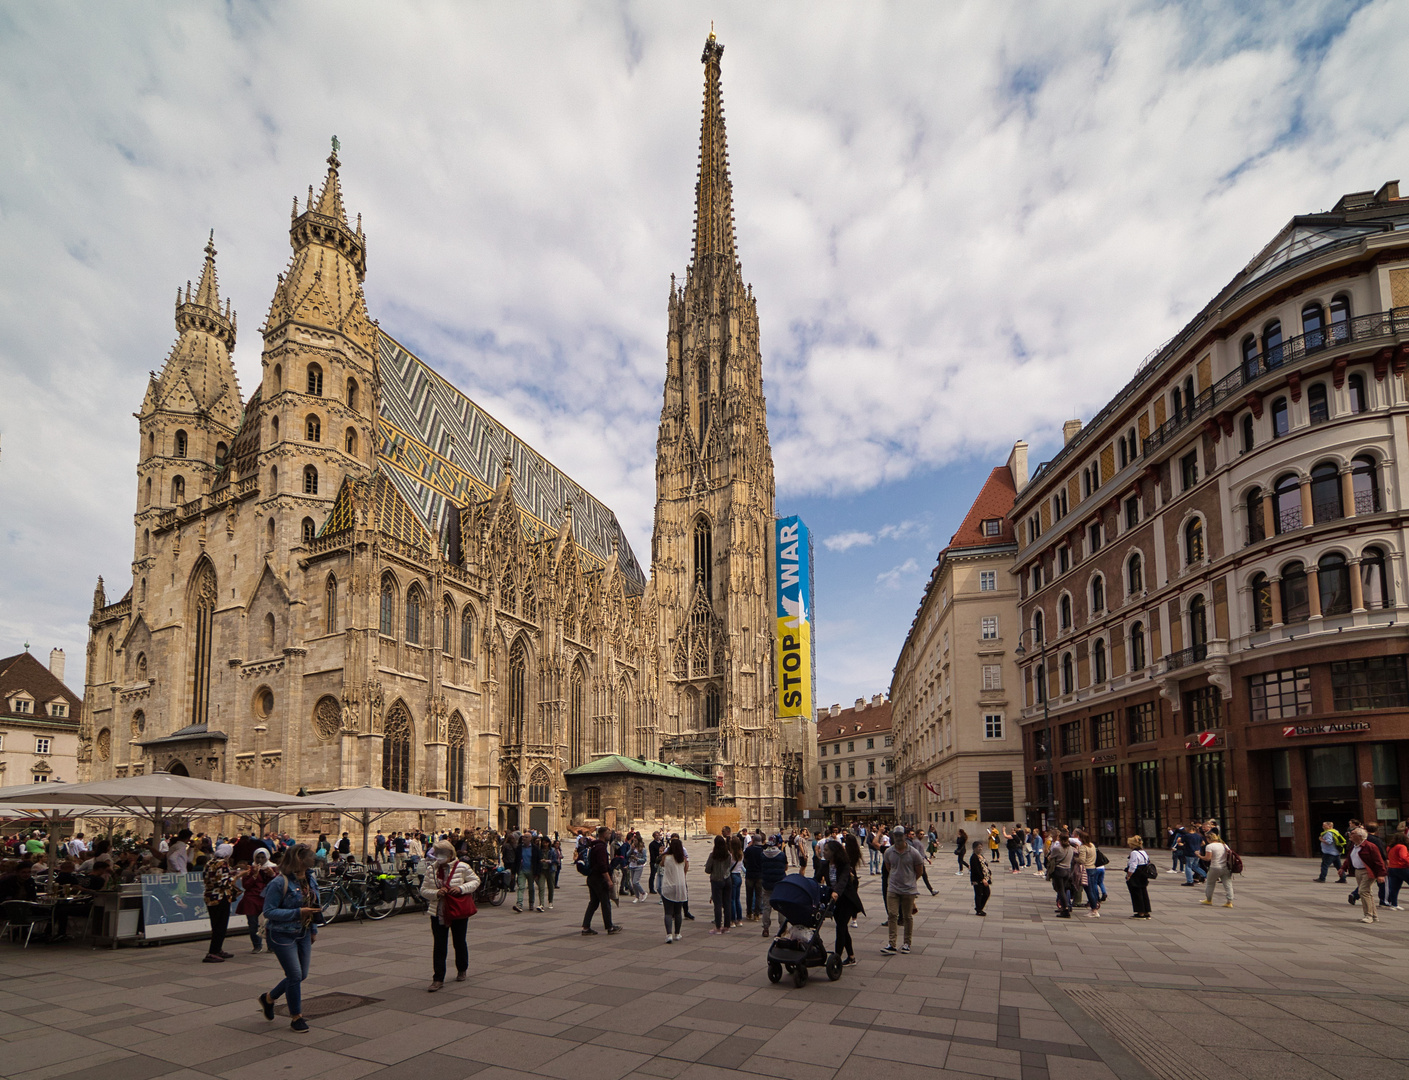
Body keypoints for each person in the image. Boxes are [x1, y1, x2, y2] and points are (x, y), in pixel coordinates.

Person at [258, 844, 321, 1033]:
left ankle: (268, 998)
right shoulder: (279, 883)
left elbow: (314, 905)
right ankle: (296, 1017)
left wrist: (314, 929)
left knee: (302, 975)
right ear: (299, 859)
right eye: (310, 857)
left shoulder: (310, 879)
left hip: (303, 932)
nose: (314, 859)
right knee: (294, 975)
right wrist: (297, 912)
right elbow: (268, 911)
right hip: (282, 934)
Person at [421, 839, 478, 991]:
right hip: (438, 911)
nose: (439, 856)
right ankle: (438, 978)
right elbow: (423, 890)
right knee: (439, 945)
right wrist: (436, 893)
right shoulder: (431, 869)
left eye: (443, 853)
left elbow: (475, 881)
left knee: (459, 941)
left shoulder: (462, 867)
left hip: (457, 910)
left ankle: (462, 968)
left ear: (451, 854)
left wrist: (461, 888)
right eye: (437, 853)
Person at [880, 826, 923, 955]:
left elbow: (919, 871)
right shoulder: (889, 852)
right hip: (893, 888)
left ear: (904, 836)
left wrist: (910, 881)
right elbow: (889, 868)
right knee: (892, 914)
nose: (898, 838)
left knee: (907, 917)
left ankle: (906, 943)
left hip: (908, 889)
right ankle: (892, 943)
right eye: (896, 835)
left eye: (900, 835)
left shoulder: (913, 852)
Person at [825, 839, 861, 965]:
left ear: (834, 852)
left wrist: (836, 892)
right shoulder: (825, 865)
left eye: (826, 850)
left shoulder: (845, 865)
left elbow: (843, 880)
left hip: (847, 900)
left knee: (840, 928)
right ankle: (851, 957)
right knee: (843, 929)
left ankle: (836, 958)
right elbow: (816, 878)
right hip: (835, 901)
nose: (823, 852)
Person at [1342, 827, 1386, 924]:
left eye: (1353, 833)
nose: (1350, 835)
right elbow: (1349, 858)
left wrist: (1381, 875)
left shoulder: (1370, 846)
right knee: (1368, 893)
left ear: (1360, 836)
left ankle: (1368, 915)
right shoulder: (1354, 846)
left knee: (1363, 891)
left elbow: (1379, 862)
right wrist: (1343, 868)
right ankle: (1374, 915)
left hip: (1368, 871)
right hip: (1358, 872)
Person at [202, 845, 238, 963]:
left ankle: (217, 949)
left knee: (216, 924)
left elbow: (210, 877)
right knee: (221, 926)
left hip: (209, 896)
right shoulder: (223, 864)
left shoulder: (210, 862)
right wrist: (236, 877)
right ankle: (213, 951)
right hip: (220, 897)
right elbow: (223, 883)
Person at [581, 826, 618, 935]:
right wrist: (608, 880)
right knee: (605, 902)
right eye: (609, 834)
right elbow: (602, 866)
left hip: (592, 878)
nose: (610, 836)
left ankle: (586, 927)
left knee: (593, 903)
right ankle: (610, 927)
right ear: (603, 834)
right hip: (599, 879)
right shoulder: (601, 848)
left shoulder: (595, 846)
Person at [238, 849, 276, 953]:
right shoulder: (250, 870)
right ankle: (257, 945)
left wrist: (272, 875)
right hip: (252, 900)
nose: (260, 860)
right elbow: (246, 885)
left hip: (267, 899)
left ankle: (271, 945)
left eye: (262, 857)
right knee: (253, 924)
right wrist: (253, 876)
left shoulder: (273, 867)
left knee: (269, 923)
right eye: (257, 857)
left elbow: (278, 884)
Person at [658, 835, 689, 942]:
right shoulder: (683, 859)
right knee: (678, 912)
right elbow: (685, 870)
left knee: (668, 912)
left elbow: (661, 865)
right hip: (680, 885)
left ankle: (668, 935)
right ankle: (677, 933)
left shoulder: (666, 858)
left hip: (668, 885)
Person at [757, 834, 789, 936]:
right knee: (781, 907)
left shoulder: (762, 855)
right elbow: (786, 867)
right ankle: (782, 928)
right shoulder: (781, 854)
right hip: (780, 884)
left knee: (767, 907)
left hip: (766, 883)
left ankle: (765, 928)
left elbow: (761, 867)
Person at [704, 835, 734, 934]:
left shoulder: (713, 855)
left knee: (717, 904)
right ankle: (726, 926)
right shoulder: (728, 855)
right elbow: (729, 866)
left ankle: (717, 927)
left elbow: (707, 869)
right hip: (727, 879)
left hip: (716, 880)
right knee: (727, 903)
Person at [1198, 829, 1234, 908]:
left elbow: (1208, 858)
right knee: (1228, 884)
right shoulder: (1224, 845)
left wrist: (1199, 856)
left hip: (1215, 867)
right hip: (1225, 867)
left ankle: (1209, 900)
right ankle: (1229, 902)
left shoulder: (1209, 846)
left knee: (1210, 883)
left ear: (1209, 839)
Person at [1046, 831, 1076, 917]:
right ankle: (1065, 907)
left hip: (1059, 870)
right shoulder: (1071, 848)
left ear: (1059, 839)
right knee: (1064, 889)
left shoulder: (1057, 848)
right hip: (1067, 870)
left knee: (1061, 890)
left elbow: (1050, 857)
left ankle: (1065, 909)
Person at [1078, 833, 1104, 918]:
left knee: (1089, 890)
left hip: (1087, 870)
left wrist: (1074, 858)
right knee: (1092, 889)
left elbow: (1082, 860)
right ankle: (1095, 906)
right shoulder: (1092, 845)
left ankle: (1094, 910)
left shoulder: (1083, 847)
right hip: (1093, 868)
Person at [1125, 836, 1152, 919]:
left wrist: (1129, 875)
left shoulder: (1134, 853)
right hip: (1143, 874)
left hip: (1136, 874)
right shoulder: (1143, 852)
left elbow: (1133, 866)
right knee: (1143, 892)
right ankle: (1146, 911)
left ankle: (1140, 912)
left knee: (1136, 893)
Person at [1385, 831, 1408, 911]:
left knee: (1394, 887)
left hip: (1391, 868)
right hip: (1402, 868)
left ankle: (1394, 904)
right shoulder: (1402, 847)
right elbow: (1403, 857)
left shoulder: (1390, 847)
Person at [533, 835, 555, 911]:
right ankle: (541, 903)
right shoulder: (540, 851)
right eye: (543, 843)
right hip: (542, 870)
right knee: (541, 887)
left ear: (549, 843)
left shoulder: (552, 851)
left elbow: (555, 860)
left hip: (550, 870)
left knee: (551, 886)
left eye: (546, 843)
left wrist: (549, 861)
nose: (544, 844)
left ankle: (550, 901)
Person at [969, 840, 991, 915]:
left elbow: (985, 866)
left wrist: (989, 873)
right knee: (979, 894)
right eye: (978, 847)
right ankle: (979, 909)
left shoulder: (981, 856)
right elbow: (976, 869)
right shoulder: (973, 857)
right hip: (978, 879)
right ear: (974, 848)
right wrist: (982, 878)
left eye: (981, 847)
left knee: (987, 893)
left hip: (985, 878)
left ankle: (979, 907)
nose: (980, 849)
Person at [728, 834, 745, 927]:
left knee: (732, 899)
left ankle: (733, 920)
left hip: (733, 876)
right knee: (737, 899)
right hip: (739, 876)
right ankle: (740, 919)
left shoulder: (731, 856)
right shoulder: (741, 855)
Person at [627, 835, 648, 903]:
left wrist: (637, 859)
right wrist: (631, 849)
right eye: (633, 841)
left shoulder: (643, 849)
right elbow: (627, 855)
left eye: (636, 841)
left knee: (635, 881)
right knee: (633, 882)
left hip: (638, 866)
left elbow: (644, 859)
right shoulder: (632, 847)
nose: (634, 842)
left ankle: (643, 893)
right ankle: (637, 896)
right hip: (632, 865)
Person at [648, 831, 664, 895]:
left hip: (661, 861)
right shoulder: (652, 844)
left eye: (659, 835)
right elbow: (652, 854)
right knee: (652, 875)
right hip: (654, 862)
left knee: (661, 875)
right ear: (654, 837)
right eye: (656, 835)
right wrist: (656, 861)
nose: (658, 837)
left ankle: (661, 887)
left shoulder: (661, 843)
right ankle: (651, 888)